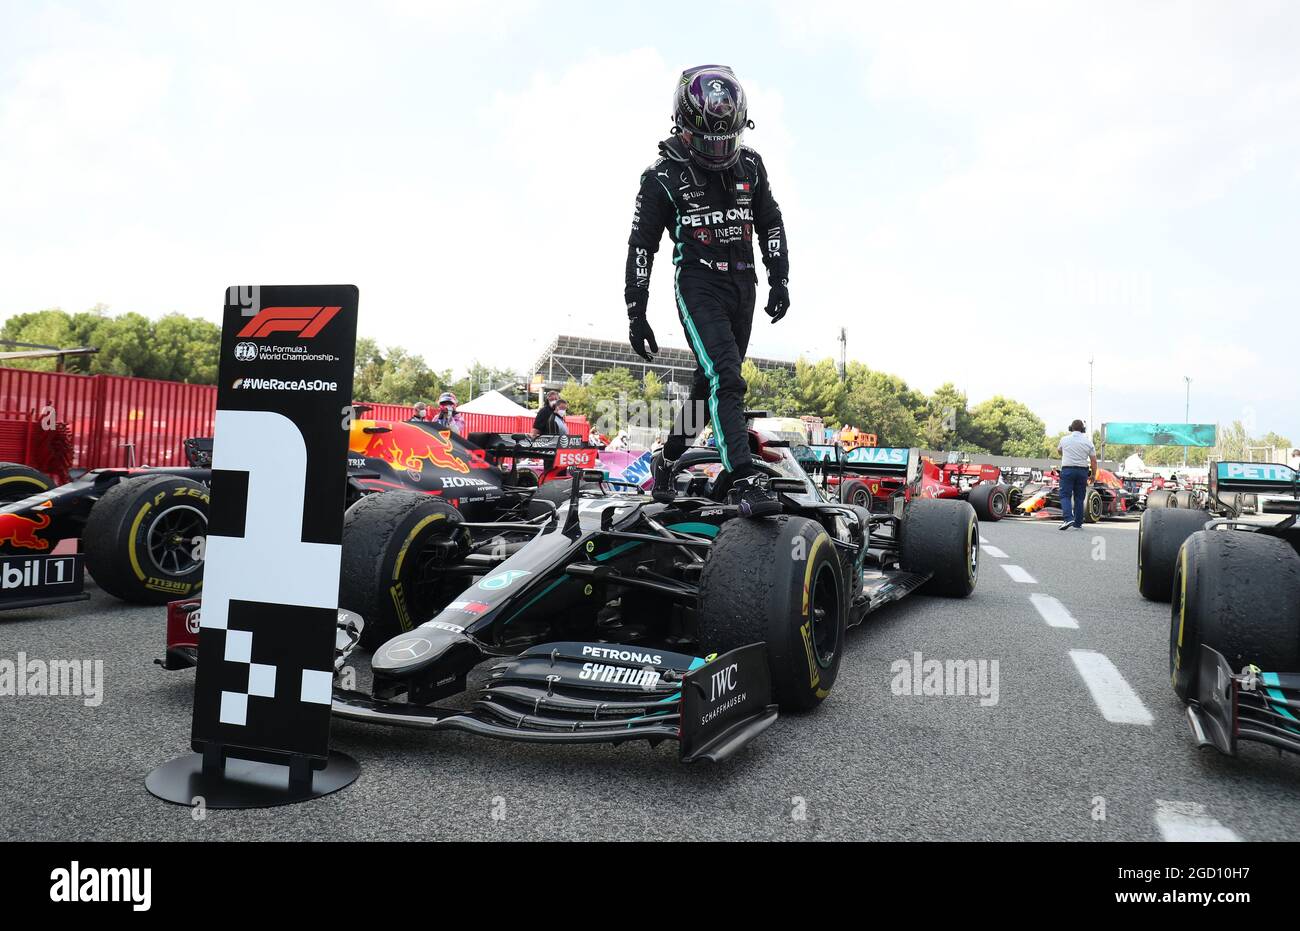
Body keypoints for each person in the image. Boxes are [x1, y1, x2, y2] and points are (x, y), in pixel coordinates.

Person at [624, 64, 790, 518]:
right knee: (728, 377)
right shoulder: (659, 177)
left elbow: (770, 221)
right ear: (683, 126)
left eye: (726, 139)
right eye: (708, 139)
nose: (718, 149)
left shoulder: (752, 164)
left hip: (744, 282)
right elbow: (643, 246)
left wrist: (780, 275)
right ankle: (743, 476)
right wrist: (635, 311)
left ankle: (668, 459)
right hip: (698, 284)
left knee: (708, 385)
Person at [1056, 419, 1097, 530]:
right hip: (1082, 471)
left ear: (1071, 428)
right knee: (1079, 497)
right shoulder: (1088, 442)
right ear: (1083, 429)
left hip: (1068, 470)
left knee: (1065, 495)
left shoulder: (1064, 440)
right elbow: (1093, 460)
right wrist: (1093, 475)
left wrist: (1066, 453)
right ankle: (1078, 523)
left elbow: (1059, 451)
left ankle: (1068, 518)